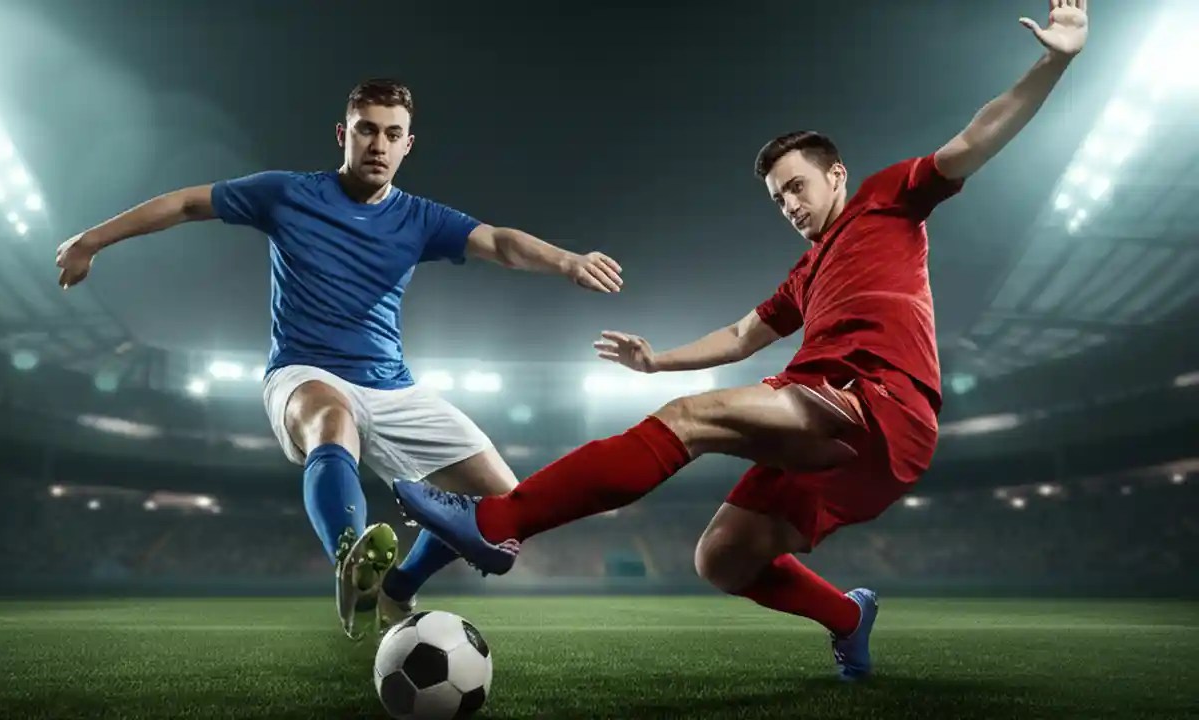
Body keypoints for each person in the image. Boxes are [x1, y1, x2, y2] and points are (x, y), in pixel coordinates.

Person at [395, 0, 1089, 679]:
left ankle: (499, 521)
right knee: (722, 559)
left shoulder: (888, 197)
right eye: (778, 199)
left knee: (690, 420)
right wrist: (655, 360)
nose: (789, 205)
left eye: (796, 187)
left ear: (836, 174)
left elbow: (975, 139)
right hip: (833, 434)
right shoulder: (805, 273)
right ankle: (848, 618)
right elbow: (741, 334)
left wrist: (1050, 65)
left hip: (877, 406)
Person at [54, 78, 624, 639]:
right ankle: (352, 563)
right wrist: (91, 240)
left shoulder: (420, 218)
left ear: (408, 145)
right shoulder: (287, 193)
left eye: (391, 134)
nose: (378, 145)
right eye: (366, 130)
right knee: (333, 418)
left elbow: (499, 242)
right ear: (342, 134)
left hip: (393, 386)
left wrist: (568, 260)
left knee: (507, 508)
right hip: (305, 374)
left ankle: (397, 588)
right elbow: (185, 203)